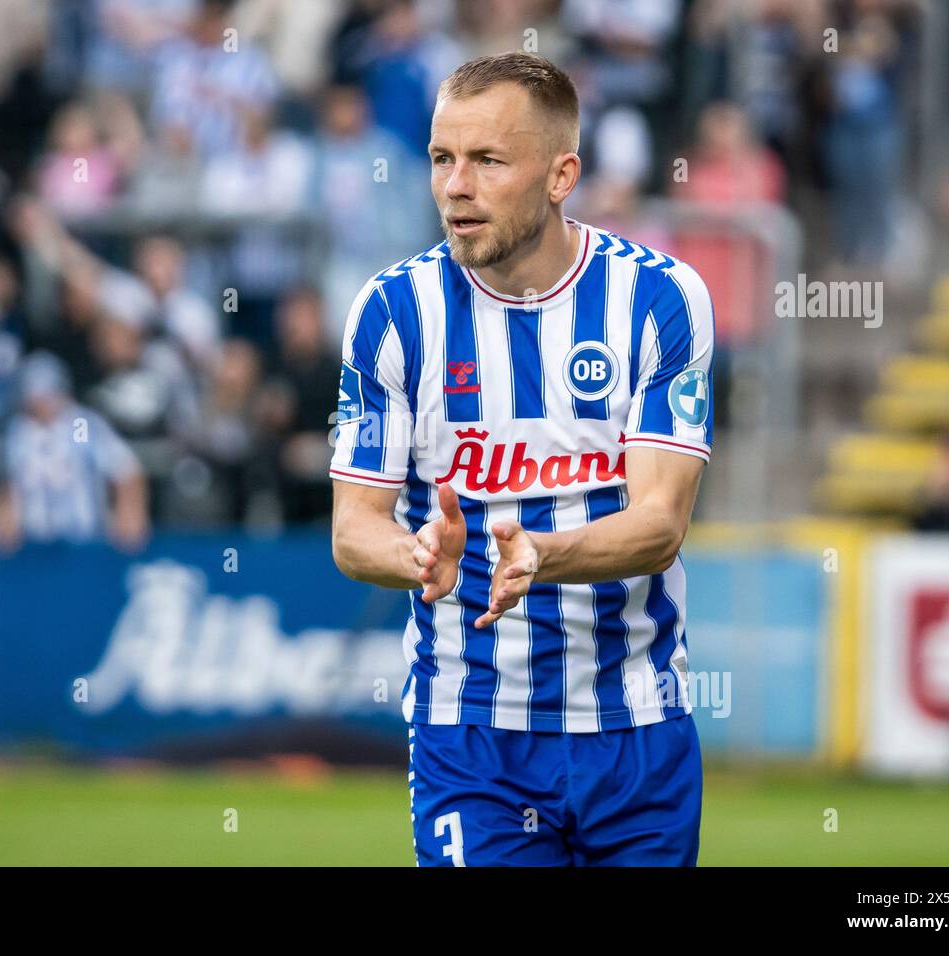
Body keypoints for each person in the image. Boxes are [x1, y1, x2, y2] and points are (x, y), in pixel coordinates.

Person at [329, 53, 713, 867]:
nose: (455, 186)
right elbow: (353, 529)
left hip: (636, 735)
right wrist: (415, 553)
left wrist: (541, 555)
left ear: (560, 174)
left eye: (488, 161)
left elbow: (659, 525)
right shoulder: (393, 313)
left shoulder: (659, 299)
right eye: (441, 158)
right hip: (470, 736)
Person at [0, 350, 148, 551]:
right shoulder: (17, 431)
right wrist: (3, 513)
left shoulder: (79, 424)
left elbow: (125, 468)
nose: (42, 403)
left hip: (84, 541)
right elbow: (5, 482)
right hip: (32, 546)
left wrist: (129, 511)